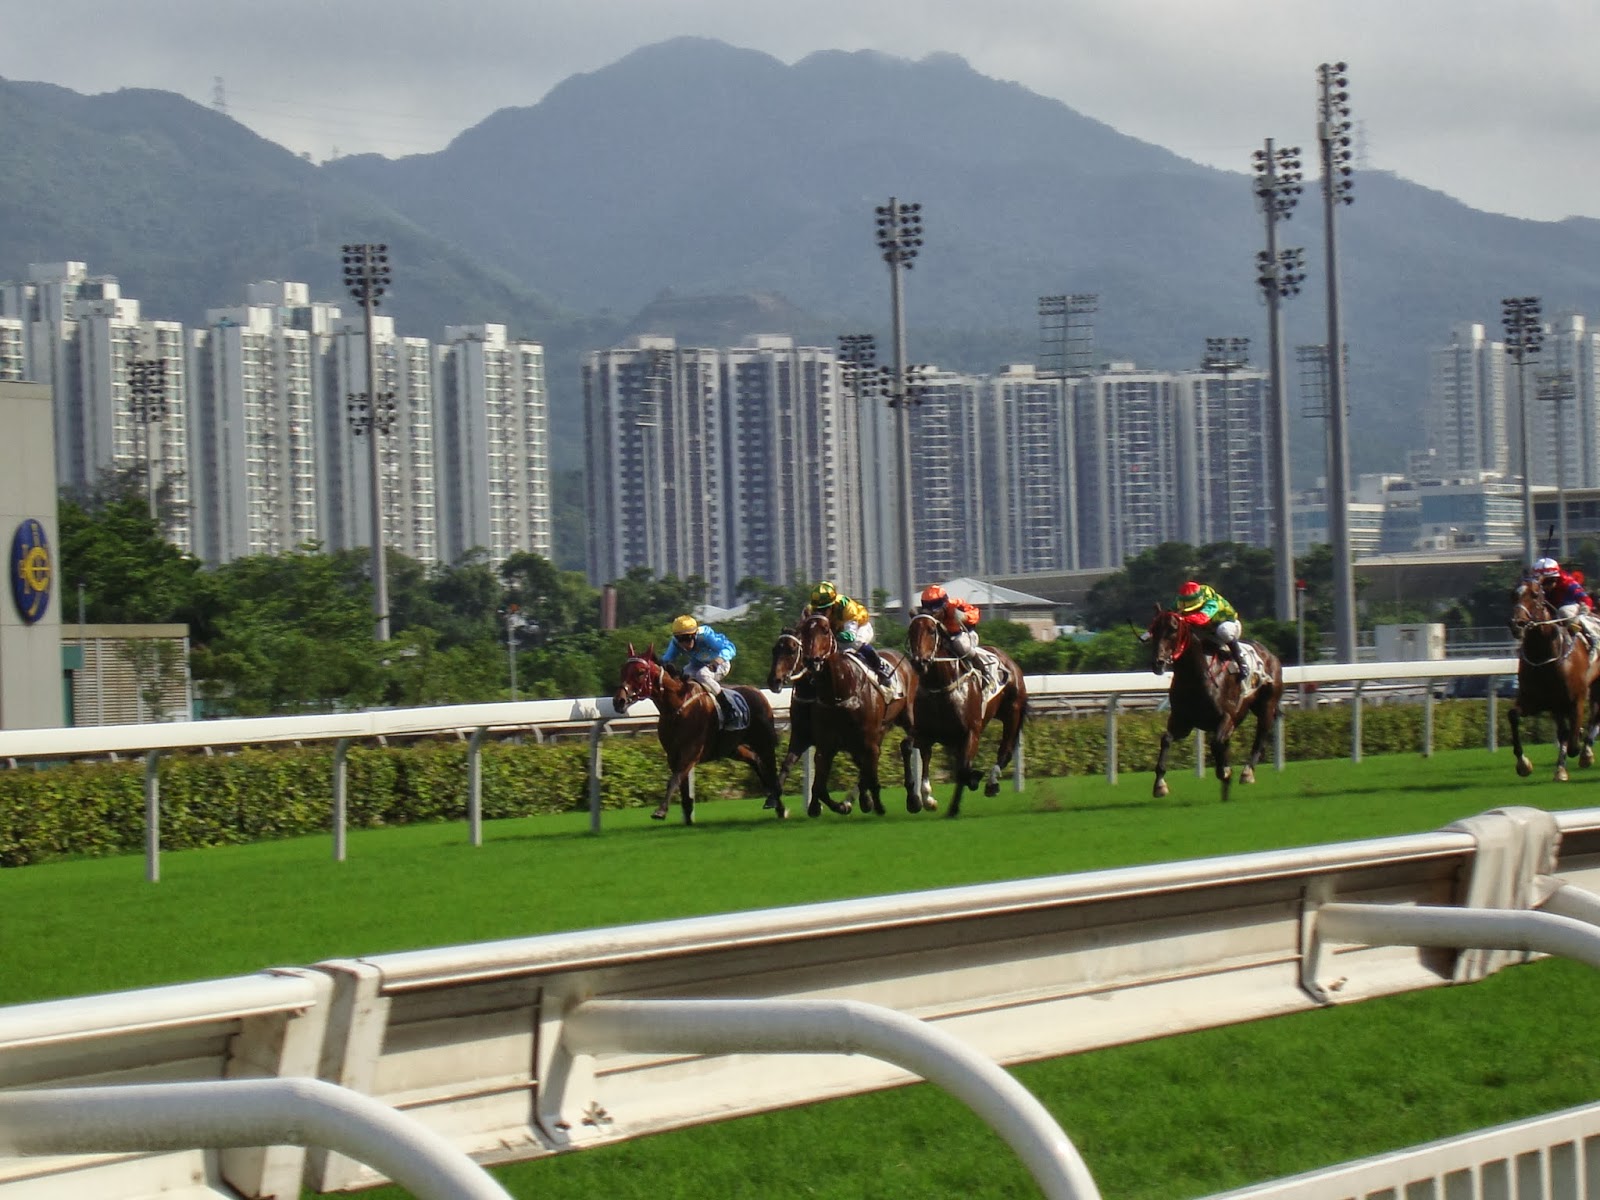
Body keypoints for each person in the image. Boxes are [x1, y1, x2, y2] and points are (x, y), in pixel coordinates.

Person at [802, 580, 898, 692]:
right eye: (818, 610)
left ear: (832, 606)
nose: (820, 613)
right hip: (834, 631)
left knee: (855, 642)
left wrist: (833, 637)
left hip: (859, 627)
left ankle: (880, 667)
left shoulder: (846, 607)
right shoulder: (809, 610)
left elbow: (850, 635)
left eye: (824, 610)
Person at [918, 584, 1001, 691]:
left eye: (935, 606)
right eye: (929, 606)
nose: (933, 612)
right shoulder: (925, 615)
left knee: (960, 645)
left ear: (943, 602)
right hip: (940, 638)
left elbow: (975, 613)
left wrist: (965, 617)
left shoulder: (955, 604)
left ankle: (986, 674)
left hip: (962, 634)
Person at [660, 614, 739, 724]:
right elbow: (666, 658)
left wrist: (719, 660)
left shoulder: (705, 635)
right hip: (698, 664)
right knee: (684, 675)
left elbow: (730, 647)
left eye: (687, 638)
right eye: (680, 639)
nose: (684, 644)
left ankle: (728, 708)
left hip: (720, 663)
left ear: (694, 634)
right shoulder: (675, 642)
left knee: (702, 675)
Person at [1175, 580, 1249, 677]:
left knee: (1223, 631)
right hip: (1206, 629)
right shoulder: (1182, 599)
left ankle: (1242, 662)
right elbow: (1169, 614)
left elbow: (1201, 618)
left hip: (1227, 624)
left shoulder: (1212, 602)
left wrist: (1181, 618)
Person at [1533, 557, 1600, 654]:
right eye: (1542, 583)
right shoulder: (1536, 588)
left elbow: (1585, 599)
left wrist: (1582, 613)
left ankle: (1590, 639)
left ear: (1556, 578)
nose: (1545, 586)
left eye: (1549, 581)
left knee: (1564, 611)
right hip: (1550, 610)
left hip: (1570, 608)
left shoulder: (1568, 582)